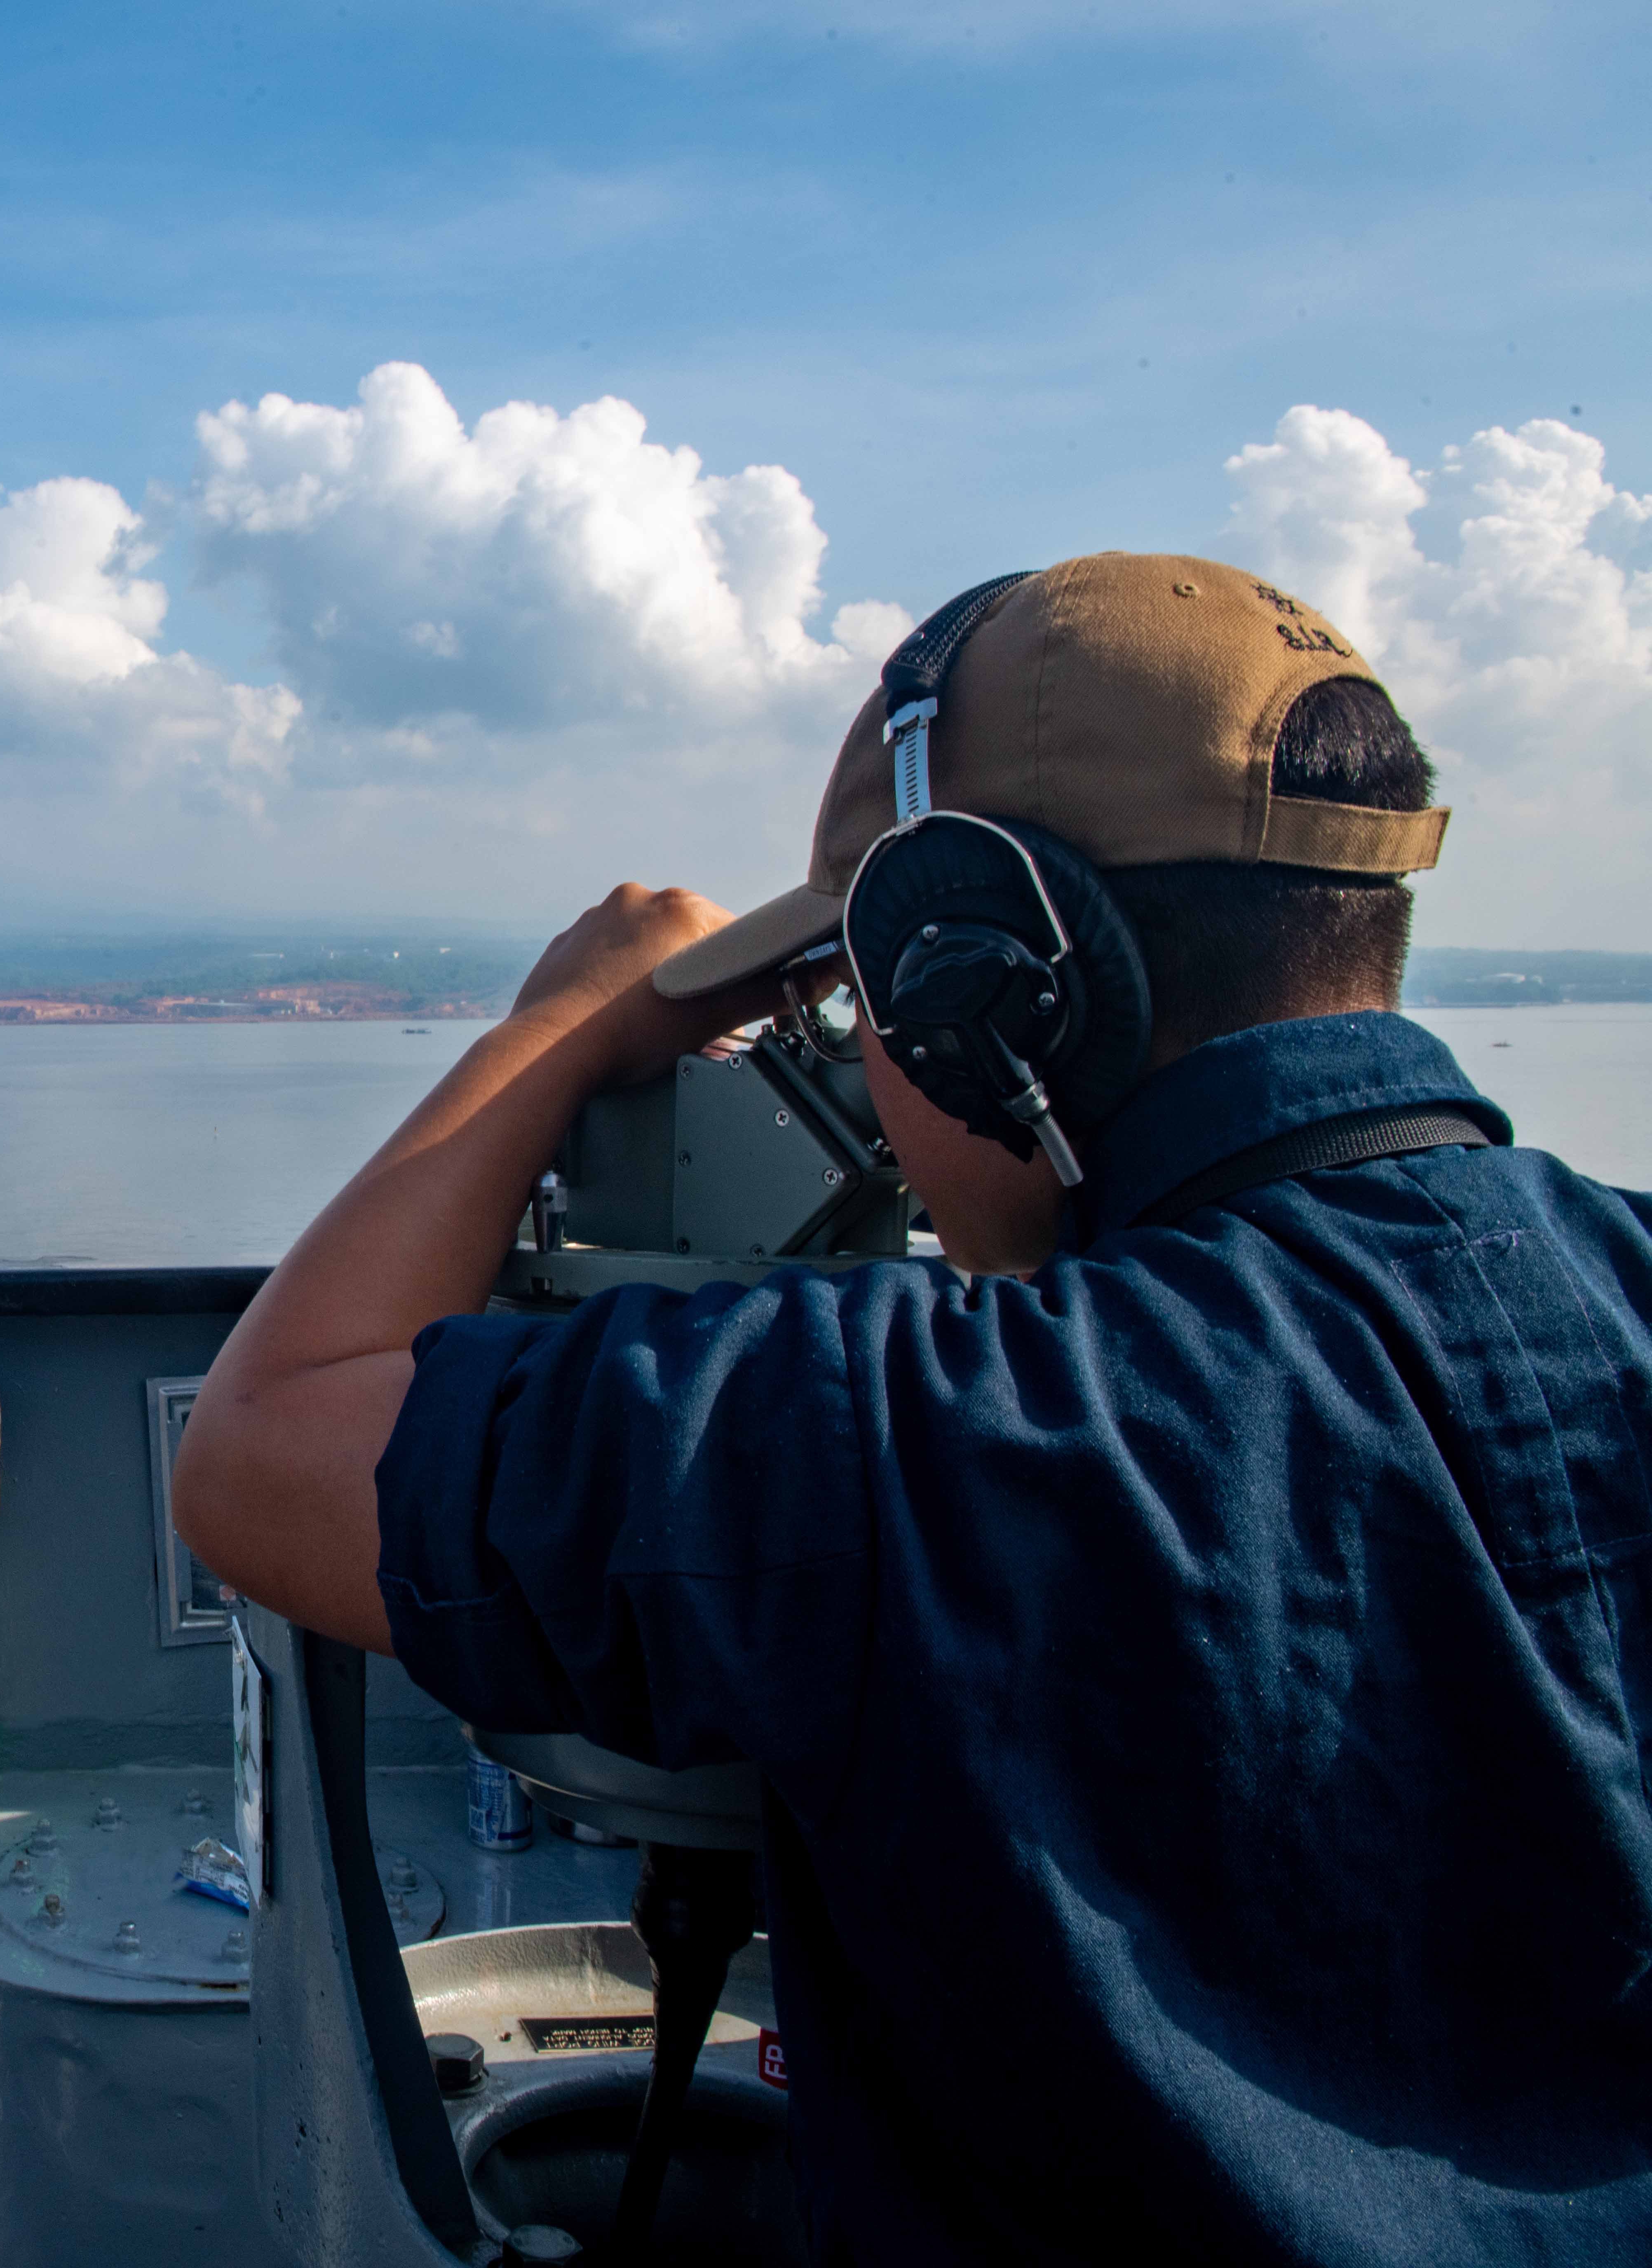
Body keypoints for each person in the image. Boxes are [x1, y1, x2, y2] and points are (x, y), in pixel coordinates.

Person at [171, 553, 1652, 2263]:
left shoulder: (913, 1433)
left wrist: (563, 1025)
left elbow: (262, 1444)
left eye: (873, 992)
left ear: (992, 985)